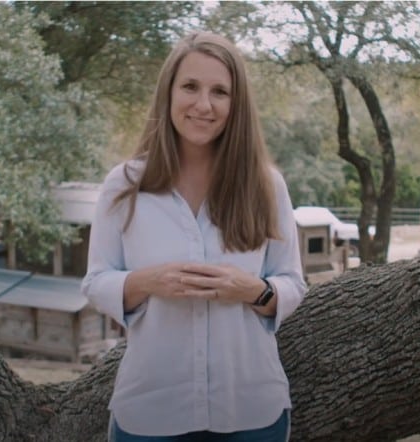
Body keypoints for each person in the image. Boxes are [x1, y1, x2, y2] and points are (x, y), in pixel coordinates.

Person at [81, 31, 306, 442]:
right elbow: (96, 283)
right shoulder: (125, 185)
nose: (204, 105)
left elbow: (292, 283)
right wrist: (149, 281)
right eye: (190, 87)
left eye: (220, 91)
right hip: (151, 413)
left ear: (236, 106)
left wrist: (249, 290)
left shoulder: (266, 186)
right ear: (168, 93)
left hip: (250, 412)